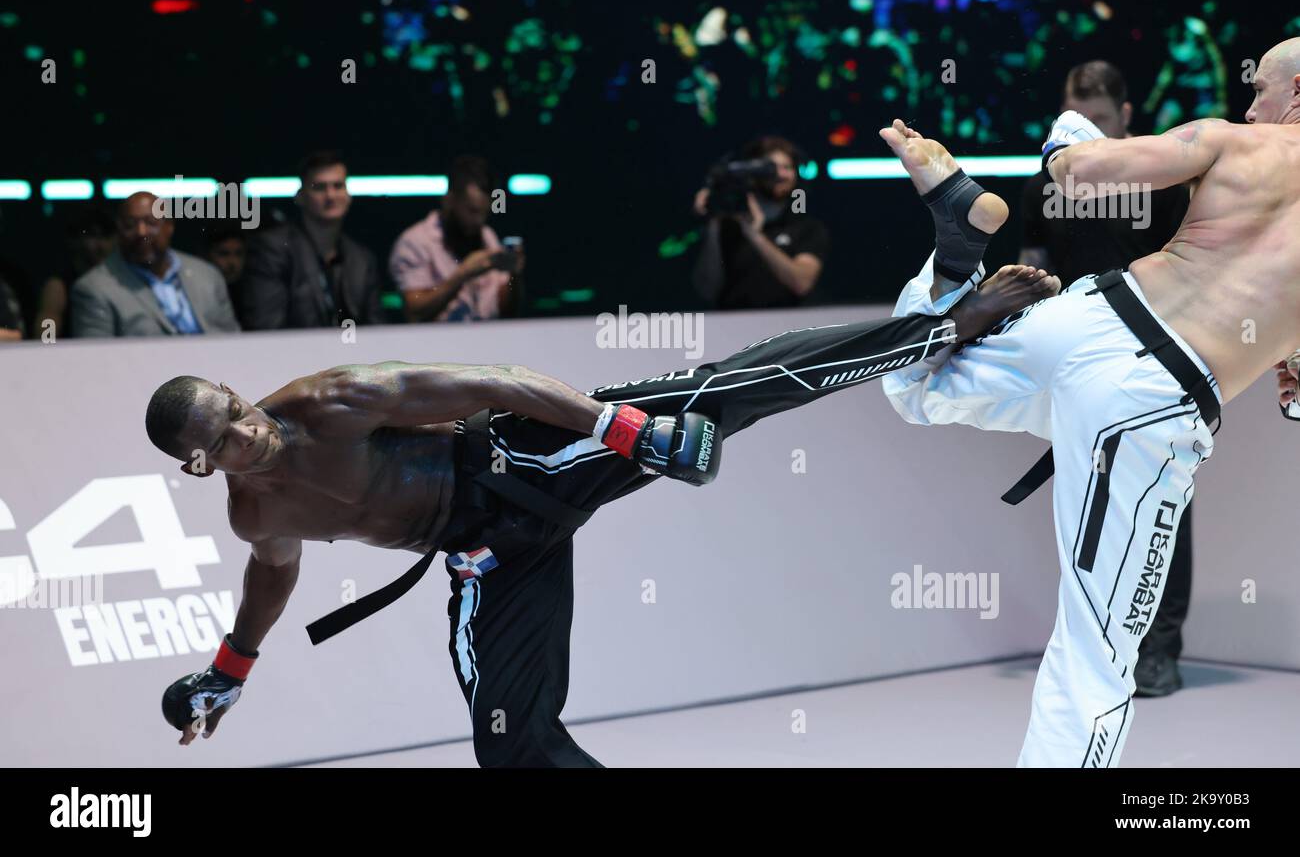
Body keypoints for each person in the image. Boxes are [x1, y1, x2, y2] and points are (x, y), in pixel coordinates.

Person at [145, 196, 1053, 766]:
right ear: (200, 464)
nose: (250, 428)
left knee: (717, 395)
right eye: (225, 439)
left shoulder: (332, 398)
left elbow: (496, 384)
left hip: (521, 459)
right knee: (510, 745)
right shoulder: (253, 508)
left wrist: (626, 429)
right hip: (483, 558)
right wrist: (232, 669)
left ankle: (945, 322)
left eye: (237, 407)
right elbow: (273, 570)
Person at [880, 35, 1300, 767]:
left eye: (1261, 90)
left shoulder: (1226, 142)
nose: (1251, 104)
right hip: (1151, 397)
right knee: (1097, 654)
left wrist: (1071, 136)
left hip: (1093, 317)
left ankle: (953, 249)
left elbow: (1076, 173)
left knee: (915, 386)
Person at [1018, 60, 1194, 698]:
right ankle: (1095, 646)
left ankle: (1159, 650)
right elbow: (1031, 268)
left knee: (1160, 501)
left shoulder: (1168, 179)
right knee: (1085, 507)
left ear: (1126, 118)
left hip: (1155, 359)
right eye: (1073, 121)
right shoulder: (1047, 183)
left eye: (1096, 121)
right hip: (1076, 363)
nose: (1082, 136)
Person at [241, 151, 384, 330]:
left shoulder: (362, 258)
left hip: (355, 355)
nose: (330, 195)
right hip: (293, 356)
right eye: (319, 187)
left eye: (338, 186)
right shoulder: (271, 248)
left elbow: (377, 331)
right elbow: (265, 328)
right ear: (300, 196)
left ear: (348, 196)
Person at [69, 192, 241, 338]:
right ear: (118, 230)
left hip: (211, 372)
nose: (141, 232)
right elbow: (96, 359)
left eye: (151, 222)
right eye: (130, 225)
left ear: (169, 226)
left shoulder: (206, 274)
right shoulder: (93, 288)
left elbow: (233, 341)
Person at [692, 135, 829, 308]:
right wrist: (712, 225)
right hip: (733, 328)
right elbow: (706, 290)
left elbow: (801, 283)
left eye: (787, 167)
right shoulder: (728, 227)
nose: (779, 174)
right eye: (770, 168)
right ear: (752, 173)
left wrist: (755, 236)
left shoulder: (807, 228)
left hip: (791, 327)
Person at [389, 156, 524, 323]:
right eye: (472, 211)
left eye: (484, 213)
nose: (479, 222)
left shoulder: (487, 236)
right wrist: (463, 274)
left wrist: (513, 277)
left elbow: (506, 310)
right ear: (449, 201)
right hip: (436, 347)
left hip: (490, 343)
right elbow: (414, 311)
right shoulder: (415, 242)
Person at [34, 208, 117, 340]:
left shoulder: (119, 282)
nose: (101, 245)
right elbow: (45, 339)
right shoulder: (58, 287)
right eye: (93, 236)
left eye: (106, 236)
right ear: (74, 241)